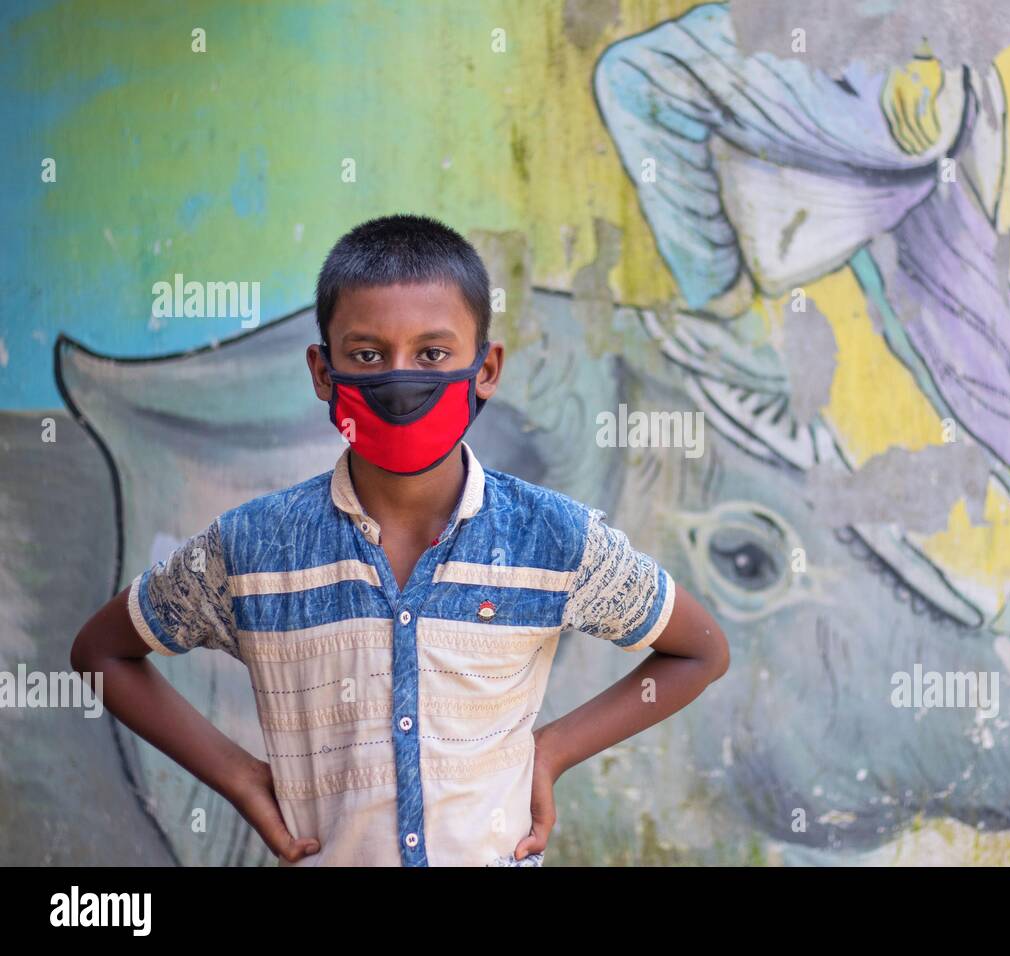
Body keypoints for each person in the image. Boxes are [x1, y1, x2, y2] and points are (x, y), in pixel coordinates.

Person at [69, 214, 730, 866]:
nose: (400, 379)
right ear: (324, 374)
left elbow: (698, 652)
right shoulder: (249, 549)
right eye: (367, 355)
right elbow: (103, 653)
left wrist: (550, 751)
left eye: (432, 354)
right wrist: (239, 776)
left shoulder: (554, 538)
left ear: (488, 369)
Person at [592, 0, 1010, 632]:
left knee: (641, 75)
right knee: (962, 314)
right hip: (918, 110)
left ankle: (729, 320)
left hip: (858, 82)